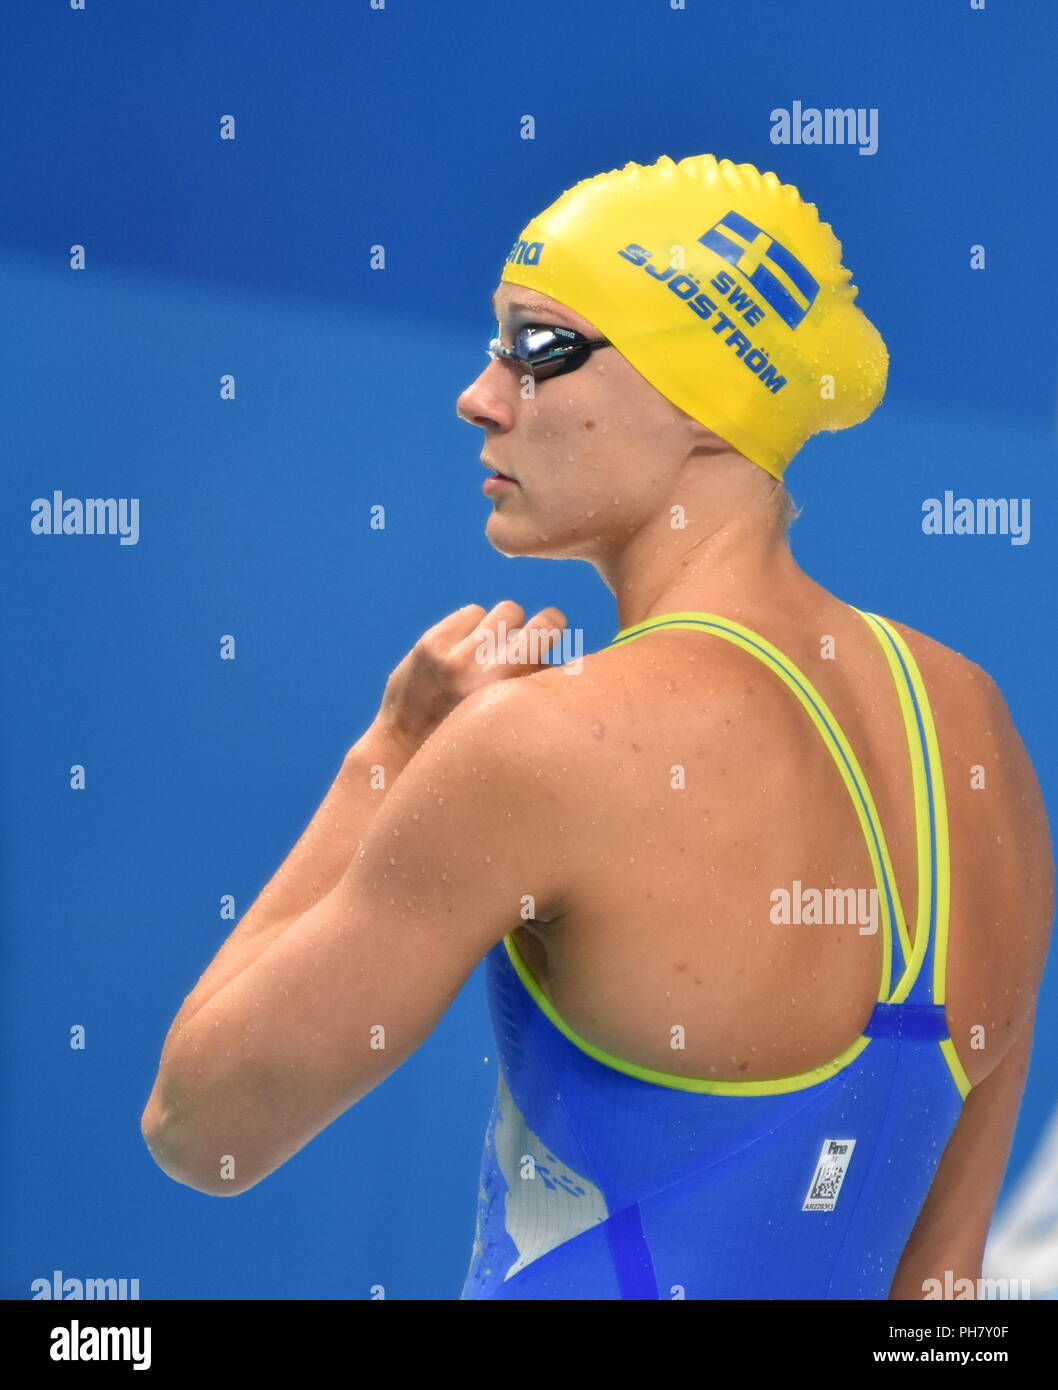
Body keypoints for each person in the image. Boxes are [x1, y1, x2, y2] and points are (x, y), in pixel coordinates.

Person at [141, 154, 1054, 1300]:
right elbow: (941, 1295)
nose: (479, 394)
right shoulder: (969, 729)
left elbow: (203, 1123)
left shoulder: (545, 744)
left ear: (702, 399)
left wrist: (383, 758)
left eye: (537, 346)